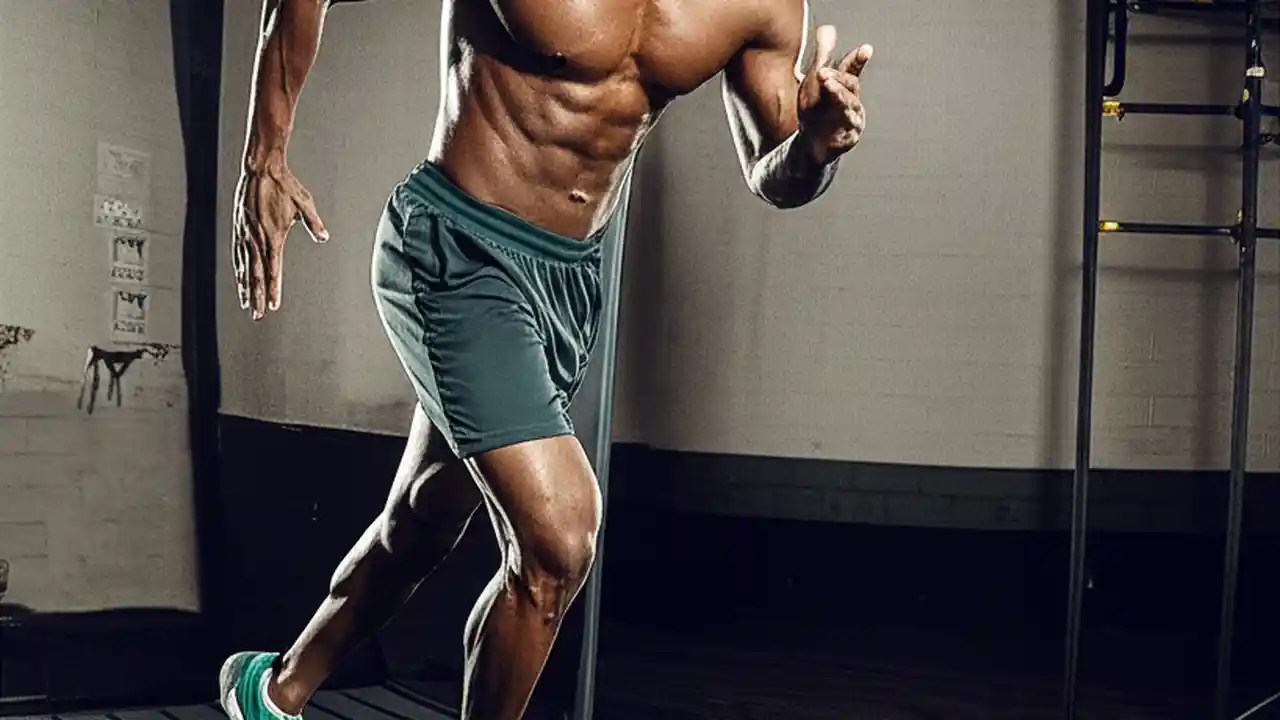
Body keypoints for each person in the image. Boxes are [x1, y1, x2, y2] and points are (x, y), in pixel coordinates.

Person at [219, 0, 872, 718]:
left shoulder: (764, 5)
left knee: (421, 522)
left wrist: (812, 147)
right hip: (456, 248)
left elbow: (771, 171)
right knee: (558, 539)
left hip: (566, 285)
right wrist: (265, 157)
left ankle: (272, 691)